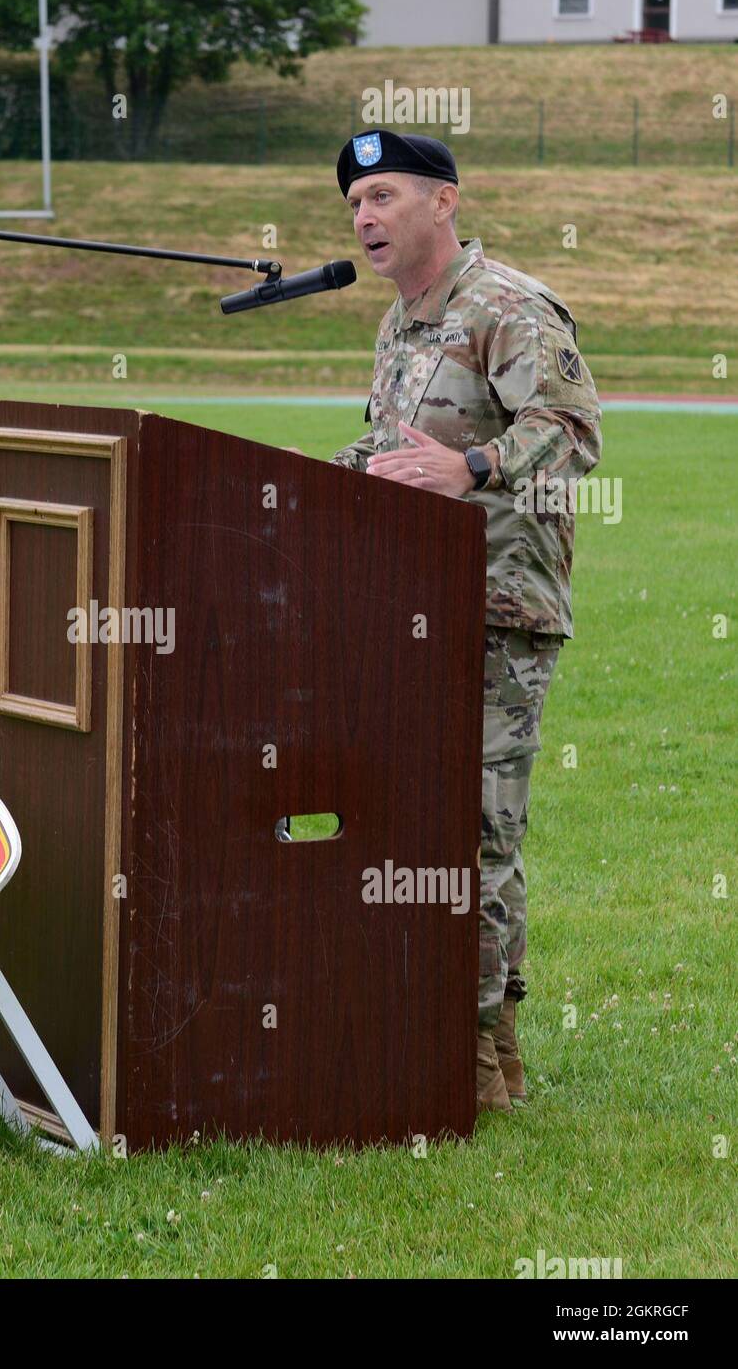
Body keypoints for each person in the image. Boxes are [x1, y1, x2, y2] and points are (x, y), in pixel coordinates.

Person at [329, 129, 602, 1112]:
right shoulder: (400, 323)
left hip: (497, 607)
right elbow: (391, 445)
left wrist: (472, 469)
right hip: (410, 609)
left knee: (476, 833)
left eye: (384, 195)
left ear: (442, 202)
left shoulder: (506, 306)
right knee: (421, 828)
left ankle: (480, 1054)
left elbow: (571, 432)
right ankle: (469, 1041)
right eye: (355, 201)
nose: (364, 217)